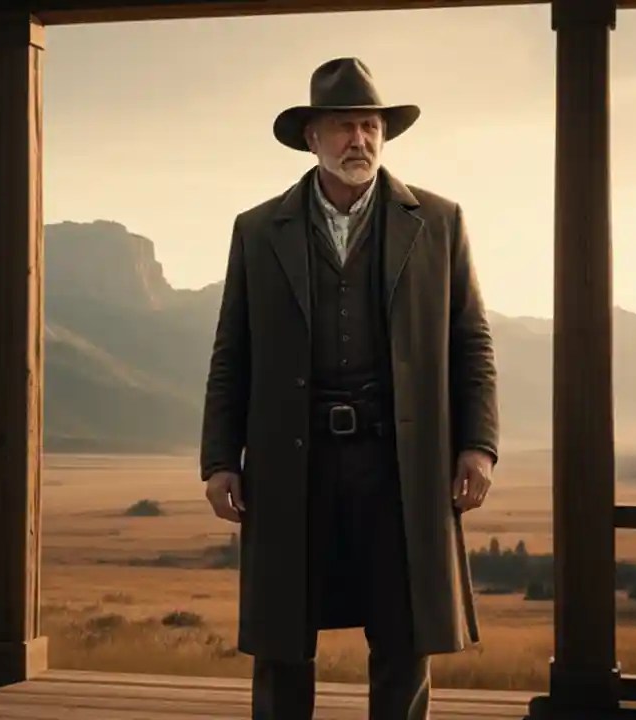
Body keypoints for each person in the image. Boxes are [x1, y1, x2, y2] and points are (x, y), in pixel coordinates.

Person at [199, 57, 500, 719]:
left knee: (403, 633)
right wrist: (220, 459)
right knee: (282, 639)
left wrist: (478, 446)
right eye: (343, 127)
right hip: (292, 459)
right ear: (312, 138)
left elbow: (471, 341)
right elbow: (232, 352)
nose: (359, 140)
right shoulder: (258, 230)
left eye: (370, 126)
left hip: (399, 461)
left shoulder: (439, 221)